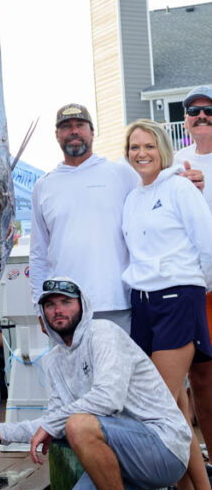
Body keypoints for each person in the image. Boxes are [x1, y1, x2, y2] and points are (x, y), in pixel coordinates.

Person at [0, 279, 190, 490]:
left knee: (78, 425)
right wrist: (3, 431)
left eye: (66, 302)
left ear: (82, 305)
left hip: (162, 447)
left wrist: (54, 426)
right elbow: (54, 419)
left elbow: (107, 398)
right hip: (117, 459)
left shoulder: (104, 334)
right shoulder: (55, 360)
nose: (58, 310)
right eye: (50, 304)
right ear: (43, 314)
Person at [30, 103, 204, 329]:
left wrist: (189, 177)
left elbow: (158, 176)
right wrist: (38, 306)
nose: (73, 131)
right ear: (56, 135)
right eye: (66, 126)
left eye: (80, 125)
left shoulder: (122, 173)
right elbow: (38, 253)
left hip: (117, 303)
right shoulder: (43, 186)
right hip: (64, 308)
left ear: (92, 132)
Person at [122, 118, 212, 490]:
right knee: (173, 405)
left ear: (162, 149)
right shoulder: (133, 198)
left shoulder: (178, 187)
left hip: (179, 297)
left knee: (160, 404)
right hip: (142, 302)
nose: (141, 153)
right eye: (134, 147)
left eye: (148, 146)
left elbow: (206, 241)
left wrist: (198, 289)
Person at [174, 86, 212, 490]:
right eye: (193, 111)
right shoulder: (173, 167)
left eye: (208, 110)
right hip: (195, 289)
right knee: (201, 379)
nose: (201, 116)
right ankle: (208, 466)